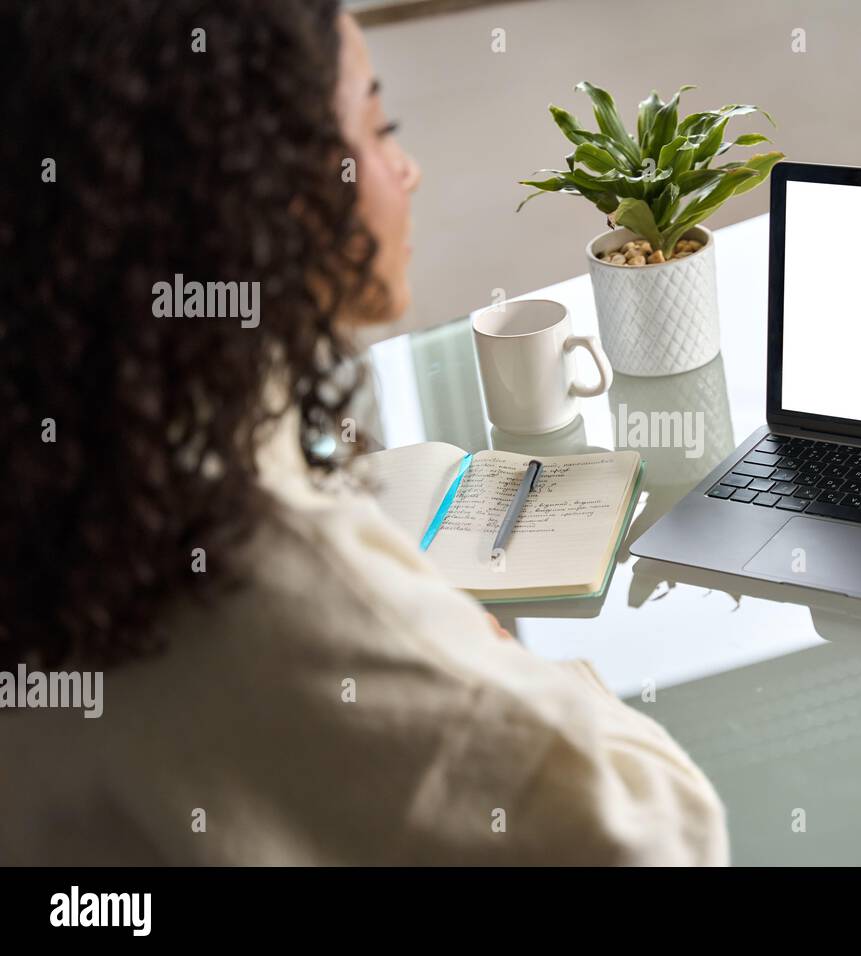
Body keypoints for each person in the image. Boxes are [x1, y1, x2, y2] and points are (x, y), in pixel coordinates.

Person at [0, 0, 727, 865]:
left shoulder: (69, 471)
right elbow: (665, 840)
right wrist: (501, 660)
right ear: (266, 192)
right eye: (381, 128)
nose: (407, 169)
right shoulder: (271, 577)